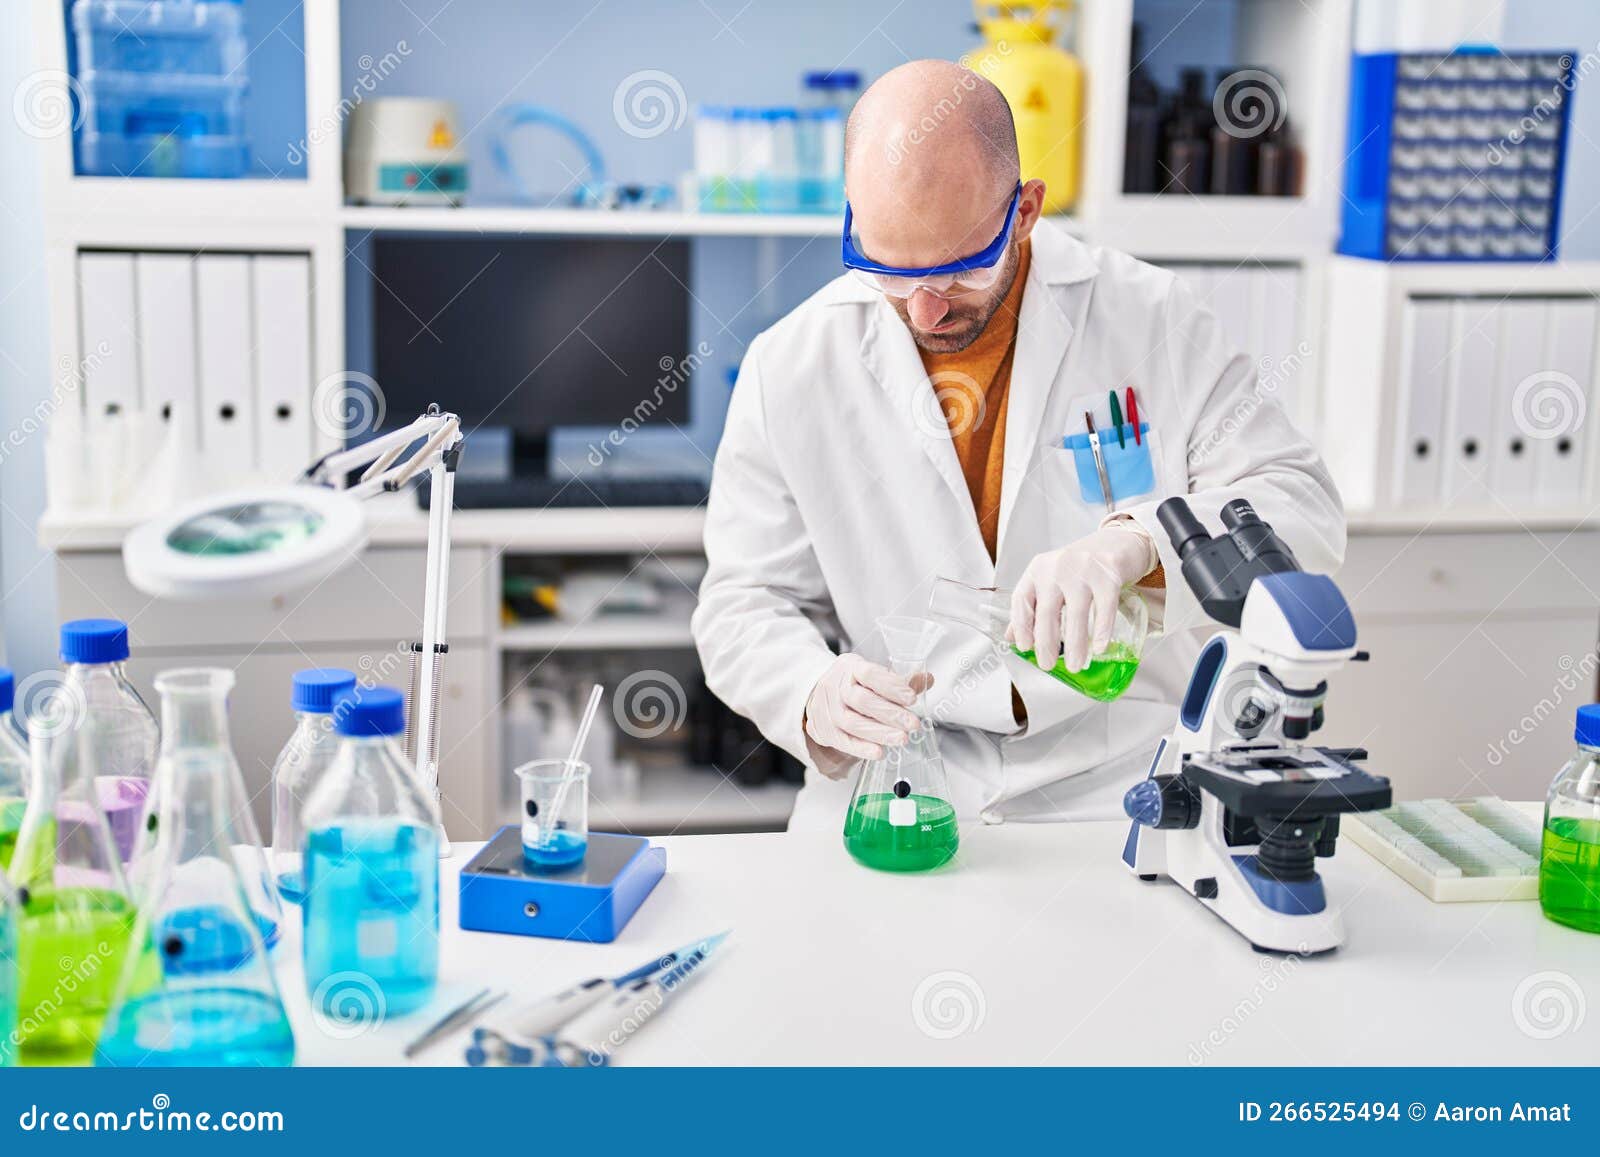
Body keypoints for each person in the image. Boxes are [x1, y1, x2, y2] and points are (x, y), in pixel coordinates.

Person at [691, 60, 1343, 831]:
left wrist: (1138, 545)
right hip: (898, 784)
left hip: (1115, 784)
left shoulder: (1153, 317)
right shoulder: (789, 364)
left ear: (1025, 211)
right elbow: (742, 602)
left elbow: (1305, 513)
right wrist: (810, 688)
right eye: (888, 269)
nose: (926, 308)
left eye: (960, 267)